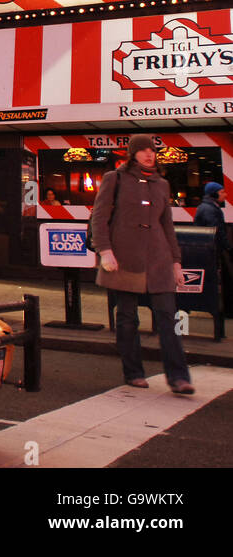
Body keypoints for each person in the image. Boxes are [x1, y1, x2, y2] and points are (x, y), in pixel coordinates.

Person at [91, 134, 193, 394]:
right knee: (127, 318)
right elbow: (100, 218)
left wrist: (176, 262)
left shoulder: (162, 184)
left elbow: (167, 226)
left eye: (152, 150)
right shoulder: (115, 179)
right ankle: (133, 372)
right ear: (132, 154)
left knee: (167, 317)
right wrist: (105, 251)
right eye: (143, 150)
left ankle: (179, 377)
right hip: (124, 257)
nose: (149, 154)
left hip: (159, 259)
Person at [193, 181, 232, 316]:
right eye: (222, 192)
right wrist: (228, 247)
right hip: (210, 251)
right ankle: (217, 310)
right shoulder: (210, 209)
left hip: (208, 250)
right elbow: (216, 231)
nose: (225, 195)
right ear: (214, 194)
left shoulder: (208, 207)